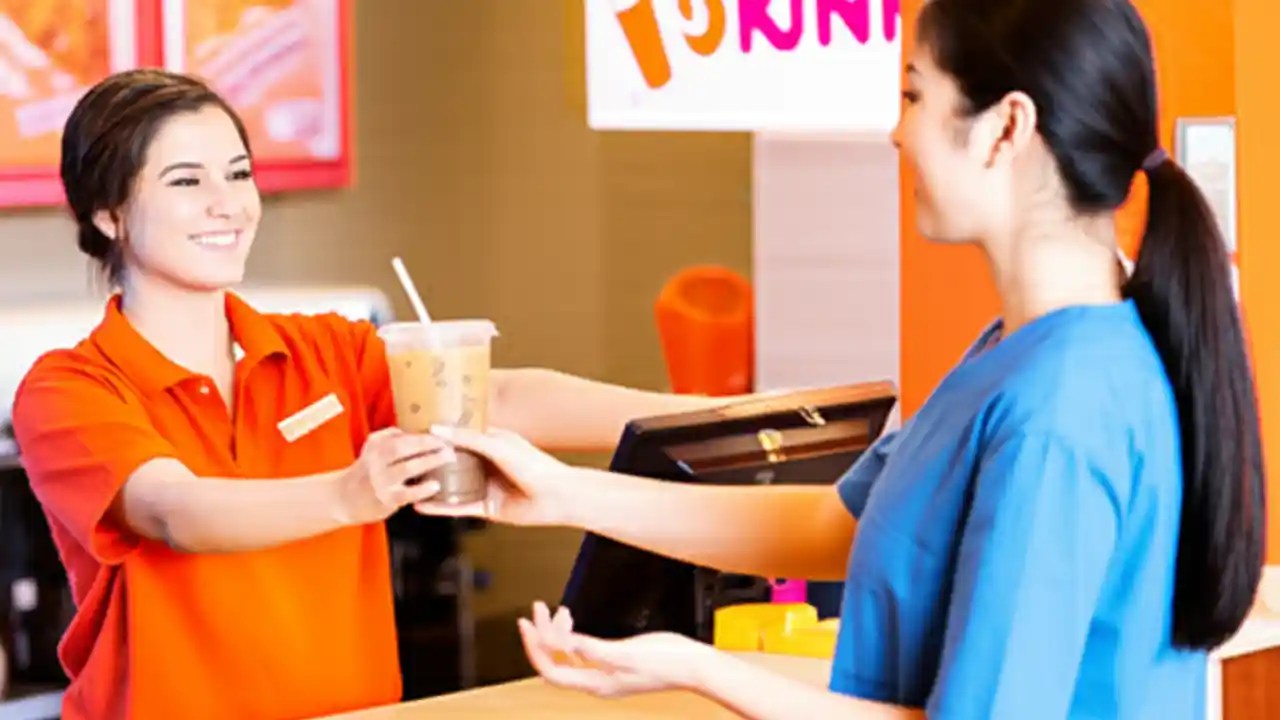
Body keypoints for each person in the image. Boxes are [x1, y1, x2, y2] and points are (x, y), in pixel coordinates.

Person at [417, 0, 1266, 717]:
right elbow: (838, 527)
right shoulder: (1032, 353)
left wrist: (698, 667)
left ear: (1007, 127)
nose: (895, 134)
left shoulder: (1060, 411)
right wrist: (560, 492)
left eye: (914, 96)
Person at [10, 68, 744, 720]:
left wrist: (723, 416)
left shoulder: (325, 348)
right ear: (108, 214)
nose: (228, 204)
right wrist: (350, 495)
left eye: (238, 174)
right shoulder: (71, 388)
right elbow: (177, 511)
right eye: (185, 182)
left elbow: (500, 399)